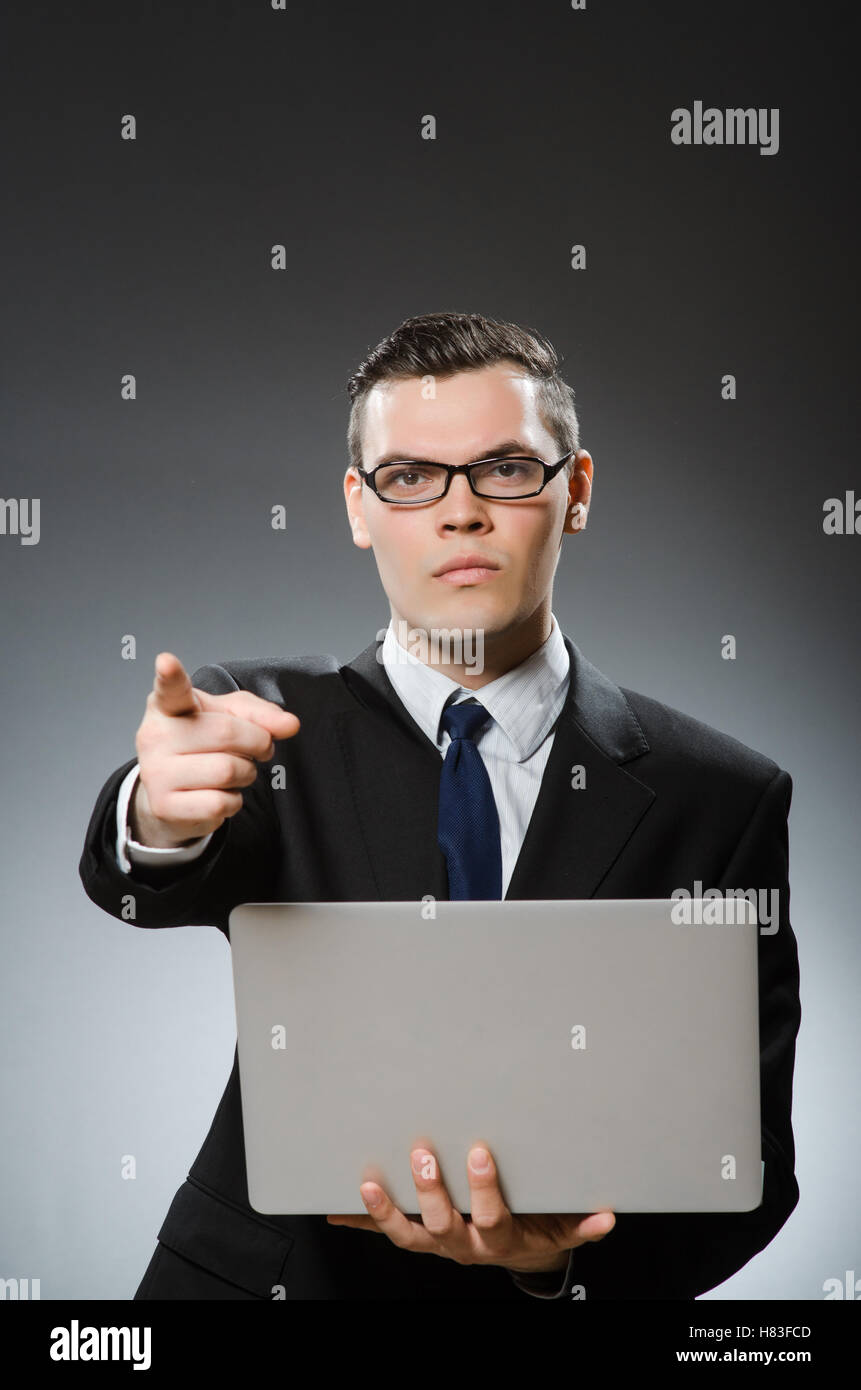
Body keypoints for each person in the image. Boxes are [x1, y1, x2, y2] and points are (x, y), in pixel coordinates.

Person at [79, 310, 800, 1300]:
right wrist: (158, 816)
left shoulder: (721, 797)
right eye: (411, 477)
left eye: (505, 468)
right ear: (358, 508)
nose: (461, 513)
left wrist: (557, 1260)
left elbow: (751, 1162)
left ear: (575, 490)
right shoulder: (264, 723)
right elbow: (146, 882)